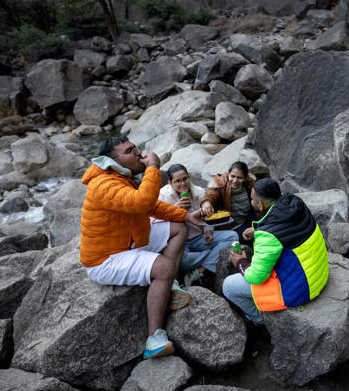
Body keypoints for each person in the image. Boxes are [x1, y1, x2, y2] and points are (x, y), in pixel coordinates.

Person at [80, 136, 205, 360]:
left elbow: (150, 206)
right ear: (112, 160)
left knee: (178, 228)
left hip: (127, 241)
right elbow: (142, 202)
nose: (138, 153)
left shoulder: (119, 176)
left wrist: (185, 215)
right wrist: (154, 167)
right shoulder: (103, 184)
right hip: (105, 258)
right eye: (129, 151)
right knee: (164, 268)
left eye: (136, 147)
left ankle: (170, 286)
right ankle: (154, 339)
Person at [223, 178, 329, 324]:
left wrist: (241, 261)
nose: (251, 202)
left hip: (300, 289)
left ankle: (260, 319)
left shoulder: (268, 237)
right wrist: (257, 229)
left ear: (259, 204)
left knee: (228, 286)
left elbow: (256, 277)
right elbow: (286, 228)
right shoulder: (294, 202)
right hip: (319, 273)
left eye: (252, 199)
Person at [157, 164, 238, 287]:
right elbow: (156, 223)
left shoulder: (199, 192)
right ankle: (213, 257)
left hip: (200, 237)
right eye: (177, 181)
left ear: (189, 177)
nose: (183, 183)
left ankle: (200, 269)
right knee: (182, 261)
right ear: (170, 182)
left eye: (185, 179)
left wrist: (208, 231)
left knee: (232, 236)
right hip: (180, 242)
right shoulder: (162, 196)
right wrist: (174, 210)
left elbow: (207, 217)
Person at [200, 161, 257, 238]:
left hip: (246, 218)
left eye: (239, 178)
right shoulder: (222, 185)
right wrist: (206, 202)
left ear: (245, 178)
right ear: (228, 174)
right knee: (254, 235)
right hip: (232, 225)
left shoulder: (248, 184)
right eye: (232, 176)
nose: (235, 180)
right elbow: (212, 194)